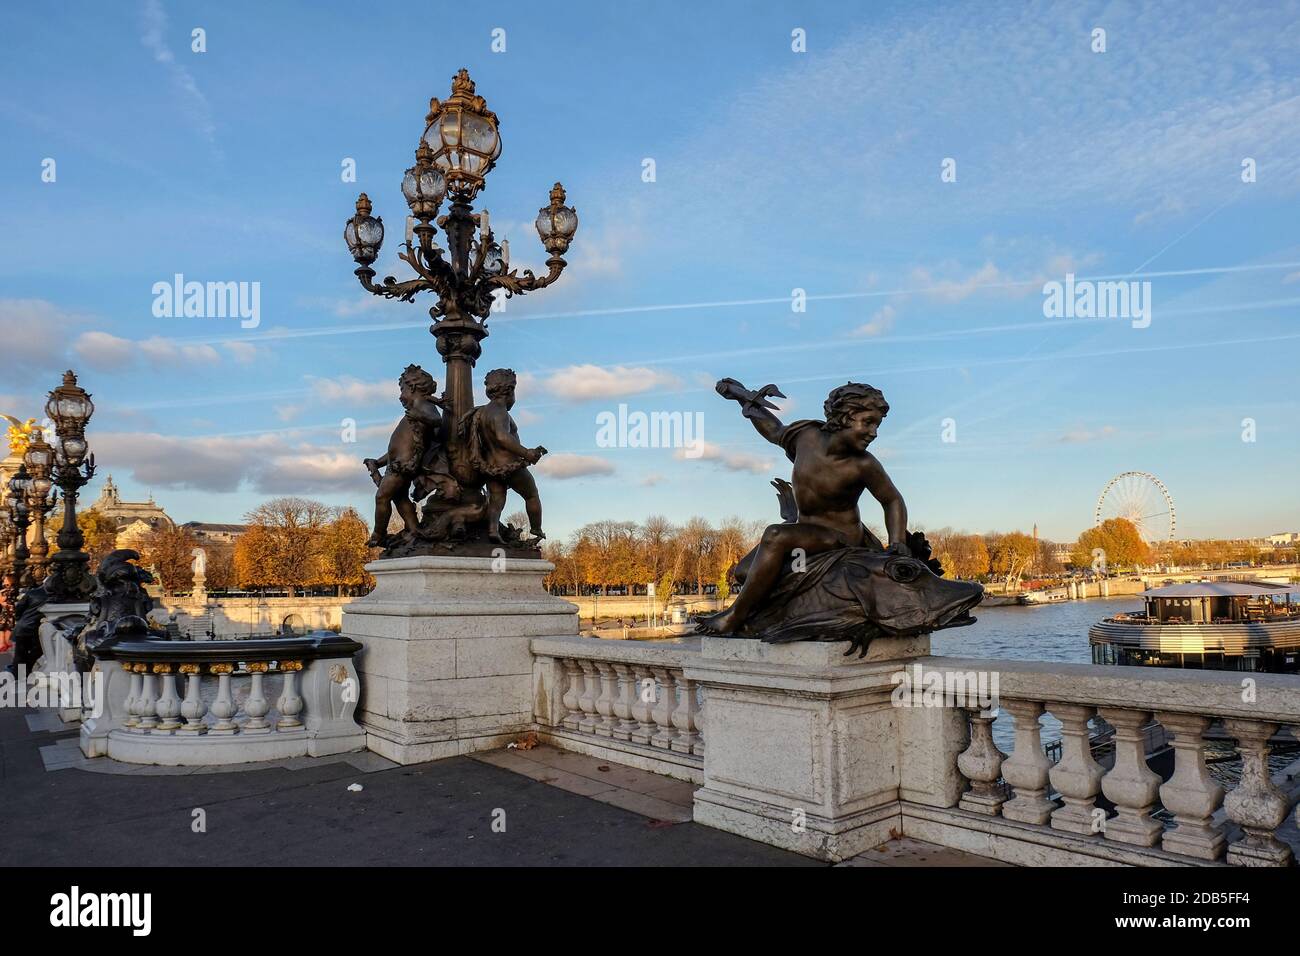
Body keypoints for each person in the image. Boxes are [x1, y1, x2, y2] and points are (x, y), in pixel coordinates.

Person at [698, 379, 909, 635]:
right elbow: (774, 430)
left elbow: (892, 500)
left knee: (775, 535)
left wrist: (897, 543)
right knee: (744, 572)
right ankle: (778, 616)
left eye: (877, 425)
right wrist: (742, 399)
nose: (873, 433)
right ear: (844, 418)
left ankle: (734, 617)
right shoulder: (806, 437)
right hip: (806, 530)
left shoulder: (864, 465)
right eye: (867, 422)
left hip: (840, 537)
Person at [460, 369, 547, 545]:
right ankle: (536, 529)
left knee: (497, 499)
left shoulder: (482, 412)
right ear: (509, 390)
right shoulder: (500, 410)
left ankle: (493, 529)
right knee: (531, 494)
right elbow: (502, 436)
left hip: (491, 466)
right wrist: (527, 453)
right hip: (510, 464)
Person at [364, 365, 447, 547]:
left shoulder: (422, 406)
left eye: (402, 389)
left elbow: (436, 421)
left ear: (413, 388)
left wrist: (420, 414)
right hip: (398, 463)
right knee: (399, 498)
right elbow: (398, 447)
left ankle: (379, 534)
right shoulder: (416, 409)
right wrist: (378, 462)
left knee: (381, 497)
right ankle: (413, 528)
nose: (400, 395)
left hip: (404, 465)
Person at [0, 571, 15, 653]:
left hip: (11, 613)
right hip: (6, 612)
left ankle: (5, 644)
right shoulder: (3, 591)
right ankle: (3, 644)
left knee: (8, 627)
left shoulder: (14, 591)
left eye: (5, 579)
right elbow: (1, 601)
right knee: (2, 627)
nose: (4, 581)